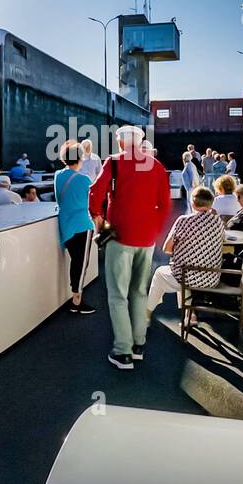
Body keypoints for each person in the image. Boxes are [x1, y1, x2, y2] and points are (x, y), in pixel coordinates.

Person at [89, 125, 170, 370]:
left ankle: (122, 351)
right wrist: (153, 233)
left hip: (120, 236)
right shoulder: (156, 166)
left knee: (117, 295)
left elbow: (95, 193)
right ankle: (138, 344)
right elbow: (164, 205)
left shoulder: (113, 162)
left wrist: (99, 220)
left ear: (121, 143)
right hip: (146, 240)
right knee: (139, 292)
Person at [146, 187, 225, 315]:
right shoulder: (218, 221)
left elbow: (167, 249)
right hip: (211, 278)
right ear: (211, 204)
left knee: (160, 274)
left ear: (192, 203)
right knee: (186, 268)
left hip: (188, 277)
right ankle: (189, 315)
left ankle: (147, 313)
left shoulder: (183, 220)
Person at [54, 142, 96, 315]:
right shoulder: (84, 179)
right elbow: (92, 203)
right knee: (81, 263)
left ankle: (75, 297)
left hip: (65, 224)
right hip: (82, 225)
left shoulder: (58, 176)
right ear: (80, 158)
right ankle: (76, 301)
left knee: (75, 262)